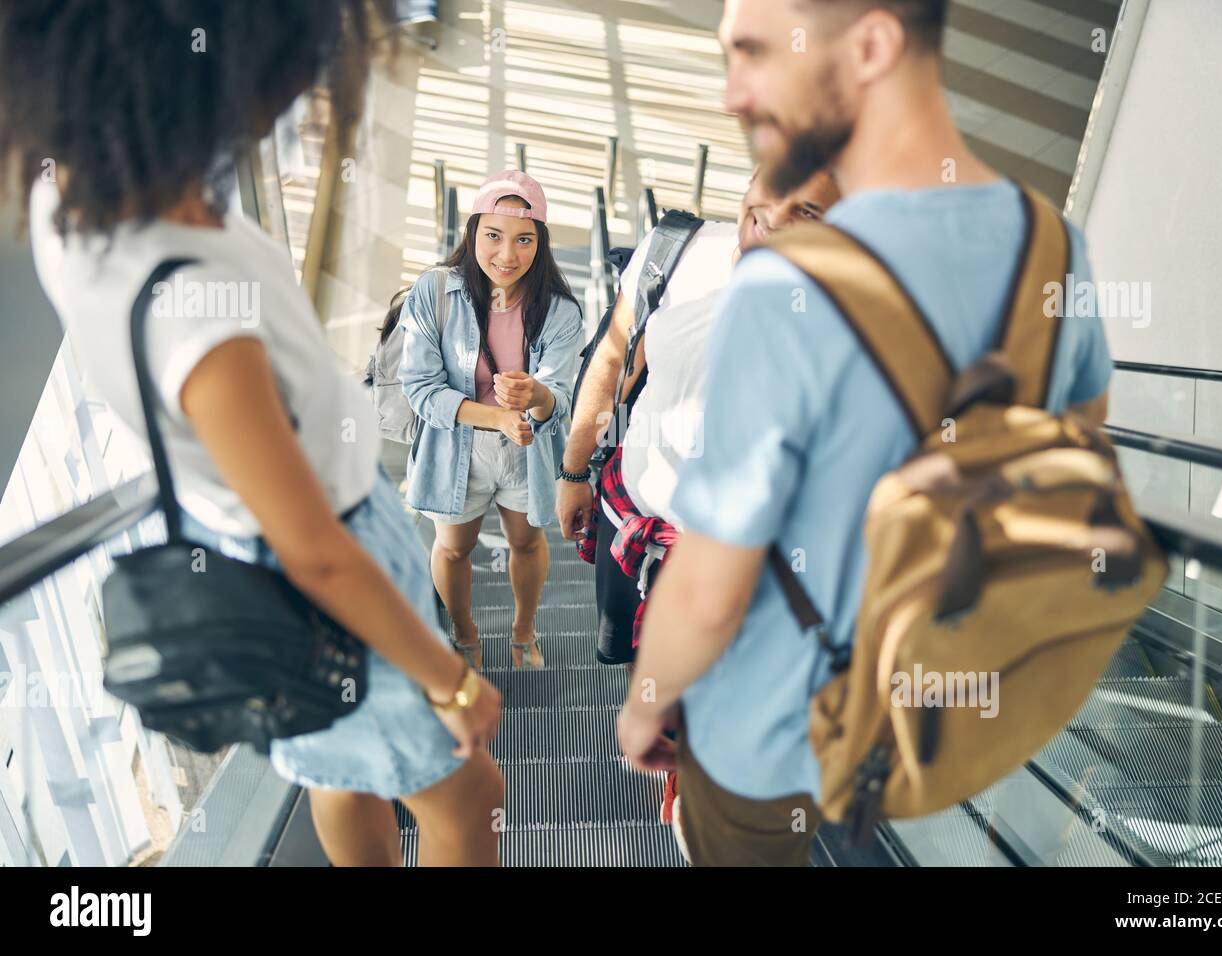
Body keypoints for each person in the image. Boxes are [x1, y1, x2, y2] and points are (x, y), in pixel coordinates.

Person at [2, 0, 504, 867]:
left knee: (337, 768)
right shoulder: (199, 319)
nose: (298, 91)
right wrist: (448, 677)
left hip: (255, 529)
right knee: (467, 792)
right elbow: (312, 548)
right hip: (325, 566)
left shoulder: (75, 195)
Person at [618, 0, 1113, 866]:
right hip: (956, 708)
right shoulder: (1053, 245)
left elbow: (709, 588)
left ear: (875, 45)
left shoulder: (781, 292)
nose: (734, 94)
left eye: (757, 55)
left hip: (770, 744)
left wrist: (647, 701)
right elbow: (1081, 460)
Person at [558, 167, 839, 670]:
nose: (775, 216)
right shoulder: (674, 249)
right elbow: (614, 356)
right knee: (637, 668)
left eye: (807, 210)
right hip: (630, 519)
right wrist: (575, 471)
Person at [400, 171, 583, 671]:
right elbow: (420, 387)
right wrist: (498, 416)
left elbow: (558, 403)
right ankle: (464, 635)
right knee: (453, 549)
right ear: (473, 232)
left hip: (526, 450)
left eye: (524, 239)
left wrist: (536, 394)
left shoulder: (560, 310)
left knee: (526, 542)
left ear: (540, 243)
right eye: (493, 236)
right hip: (453, 447)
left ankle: (523, 631)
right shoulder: (435, 292)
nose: (507, 254)